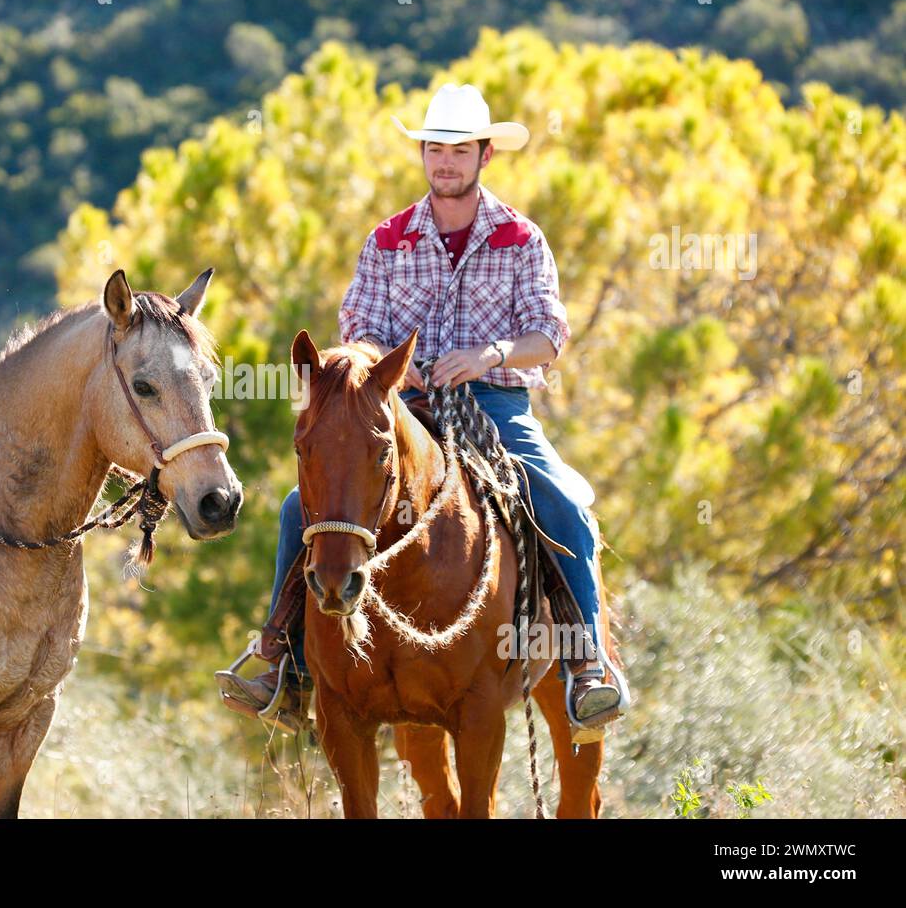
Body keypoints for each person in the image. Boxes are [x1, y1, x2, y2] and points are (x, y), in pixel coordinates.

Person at [217, 83, 628, 734]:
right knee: (301, 508)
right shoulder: (387, 240)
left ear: (485, 155)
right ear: (424, 154)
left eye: (459, 149)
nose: (445, 161)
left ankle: (587, 667)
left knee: (563, 501)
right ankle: (280, 662)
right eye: (435, 148)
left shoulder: (521, 238)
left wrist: (488, 355)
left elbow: (549, 333)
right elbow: (358, 324)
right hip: (400, 404)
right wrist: (380, 368)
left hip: (495, 405)